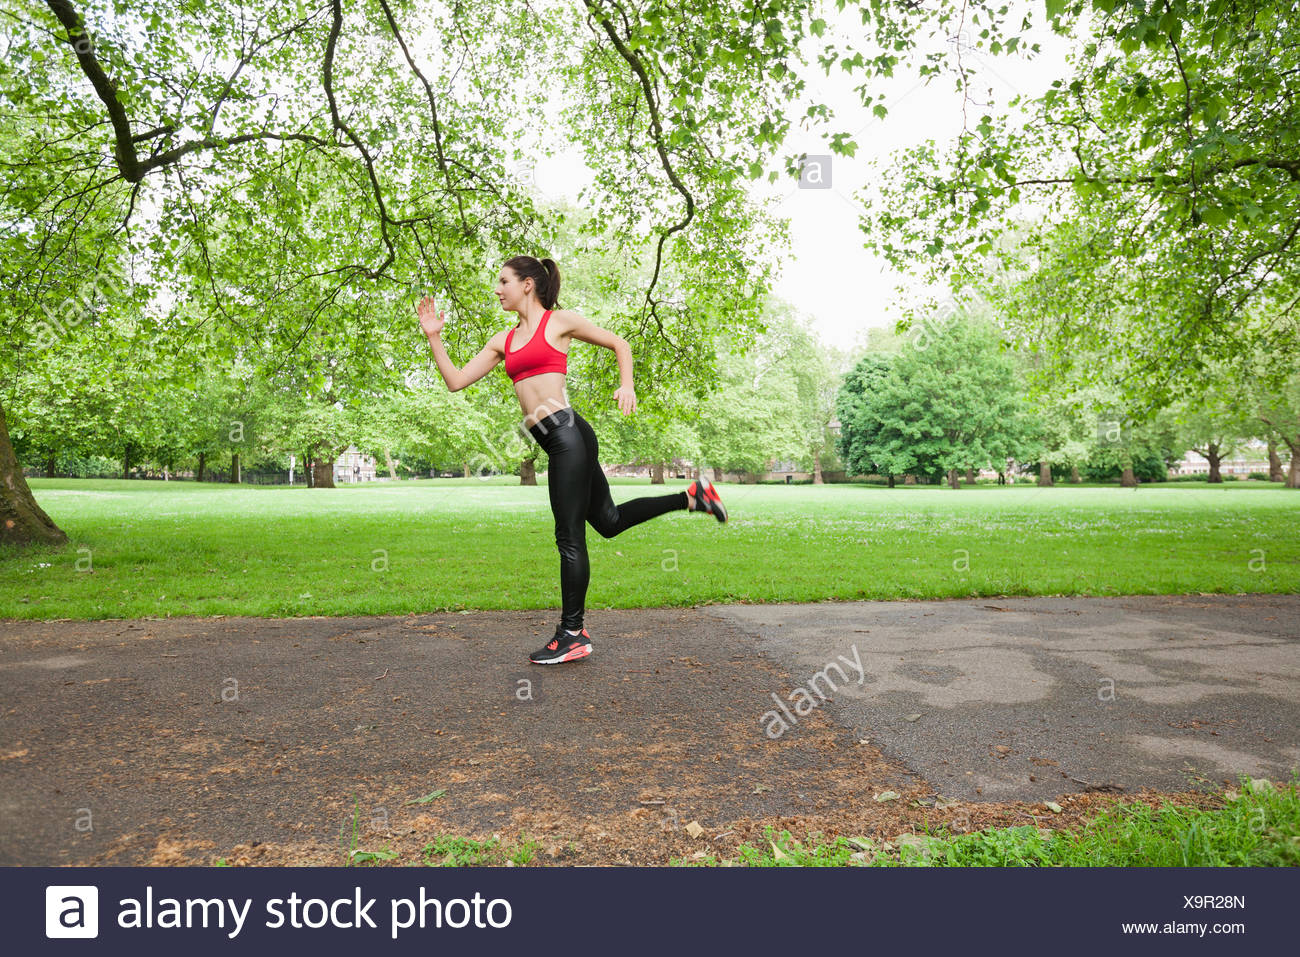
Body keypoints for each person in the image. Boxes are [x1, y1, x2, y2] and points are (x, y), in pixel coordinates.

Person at [417, 255, 727, 665]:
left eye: (503, 281)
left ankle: (572, 633)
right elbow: (456, 381)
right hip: (560, 438)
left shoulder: (559, 322)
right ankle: (693, 497)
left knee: (569, 537)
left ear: (528, 284)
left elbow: (620, 343)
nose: (497, 289)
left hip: (567, 437)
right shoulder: (502, 340)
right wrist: (433, 336)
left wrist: (626, 385)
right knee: (609, 522)